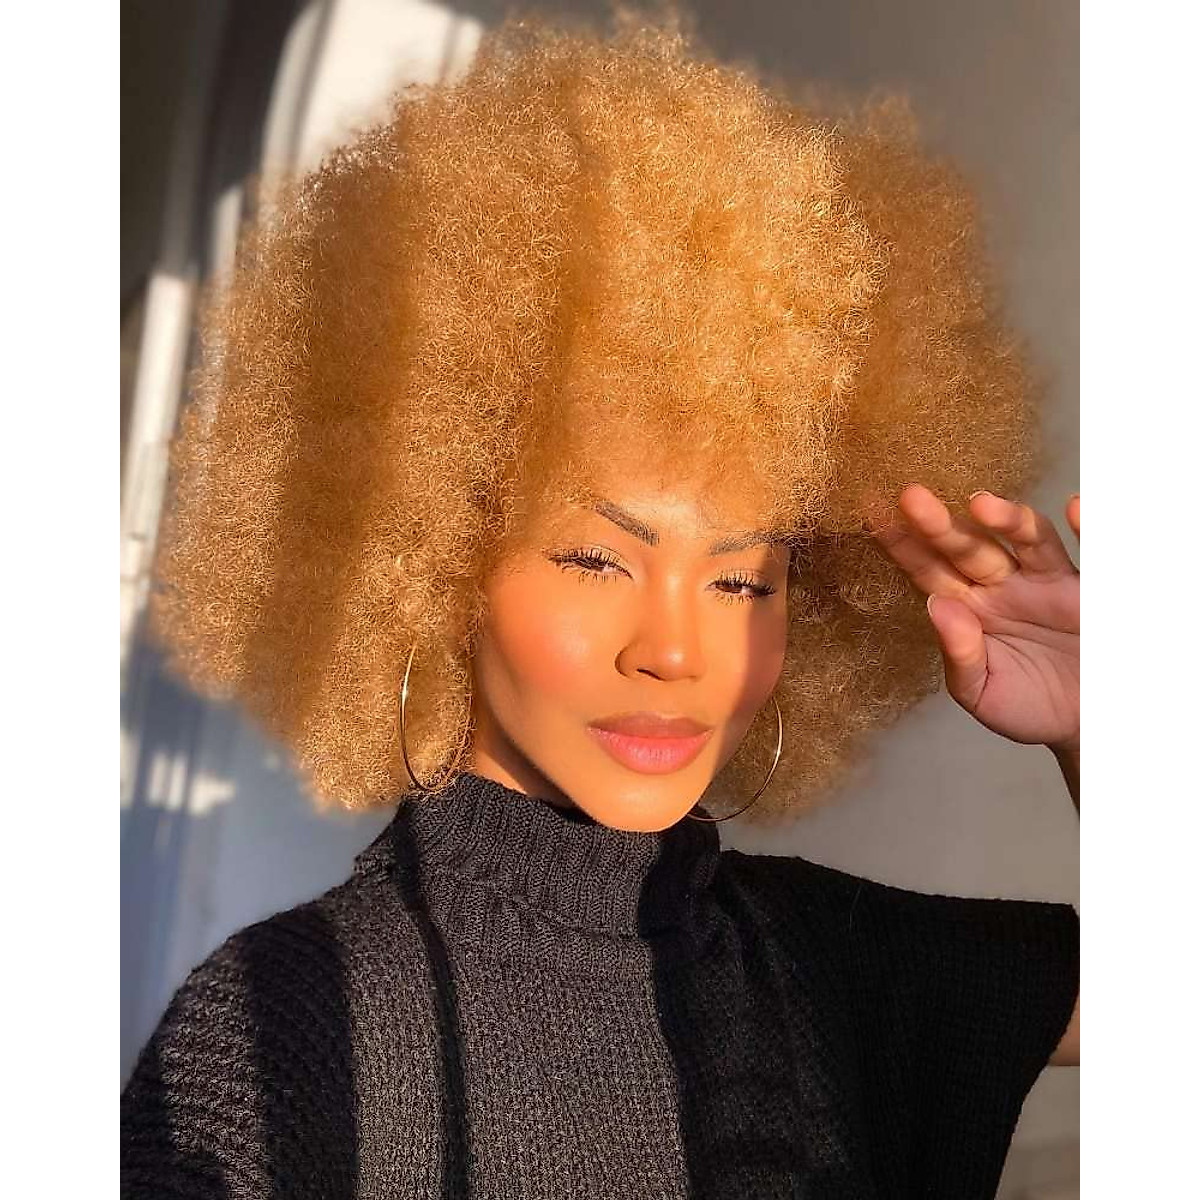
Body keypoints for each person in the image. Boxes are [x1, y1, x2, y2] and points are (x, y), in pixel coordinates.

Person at [121, 9, 1079, 1198]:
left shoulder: (837, 965)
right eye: (594, 561)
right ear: (431, 560)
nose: (678, 650)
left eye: (743, 579)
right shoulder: (282, 1028)